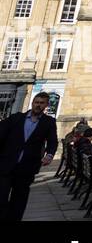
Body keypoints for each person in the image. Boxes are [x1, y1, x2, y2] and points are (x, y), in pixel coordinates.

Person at [0, 91, 59, 220]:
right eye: (36, 102)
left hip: (27, 166)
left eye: (41, 103)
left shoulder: (48, 122)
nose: (38, 105)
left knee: (19, 198)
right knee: (1, 196)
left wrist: (49, 155)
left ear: (46, 105)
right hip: (7, 164)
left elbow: (52, 141)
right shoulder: (16, 118)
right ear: (32, 103)